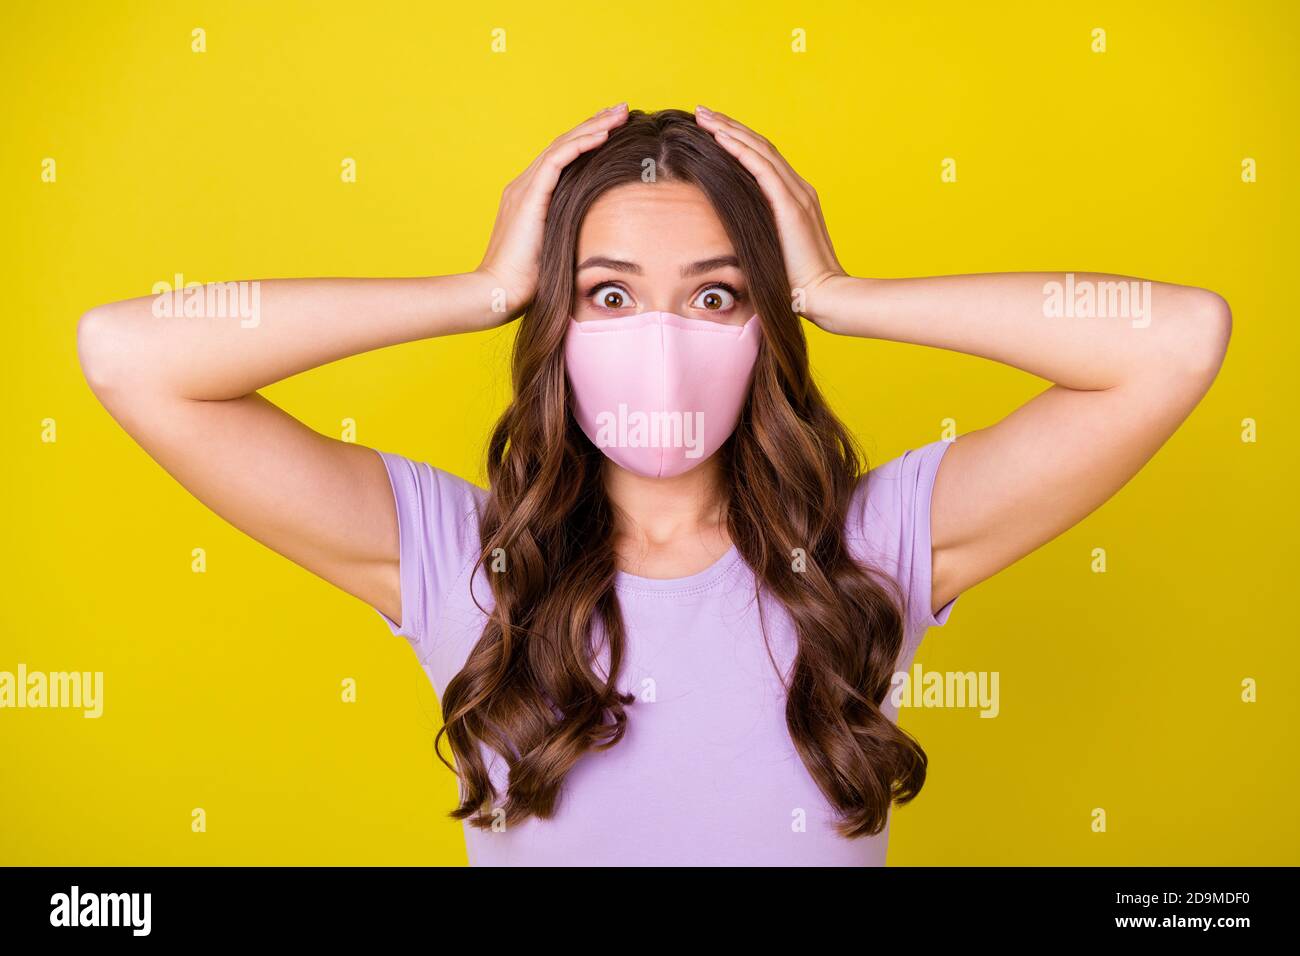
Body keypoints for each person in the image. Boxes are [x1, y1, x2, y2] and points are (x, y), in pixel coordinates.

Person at [76, 104, 1231, 865]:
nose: (662, 336)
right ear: (553, 319)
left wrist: (841, 290)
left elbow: (1175, 340)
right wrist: (475, 289)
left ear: (764, 327)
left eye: (717, 295)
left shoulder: (867, 550)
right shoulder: (461, 560)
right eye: (610, 294)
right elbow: (129, 355)